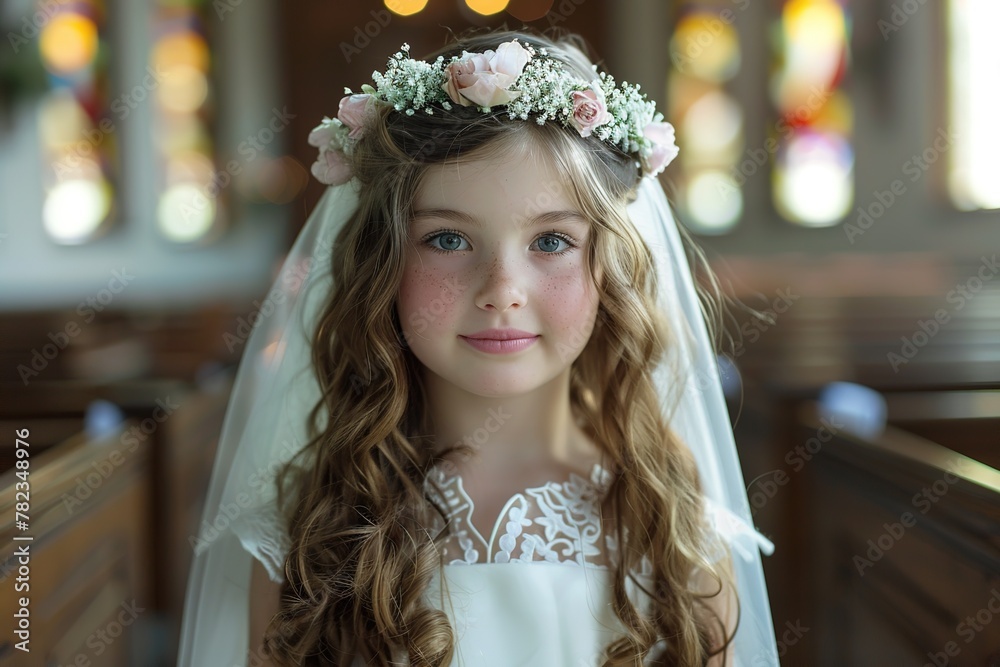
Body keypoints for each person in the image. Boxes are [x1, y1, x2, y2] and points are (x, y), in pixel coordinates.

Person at [178, 26, 778, 667]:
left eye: (551, 242)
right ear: (384, 261)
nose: (501, 292)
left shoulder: (675, 526)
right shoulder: (309, 530)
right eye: (447, 239)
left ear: (609, 268)